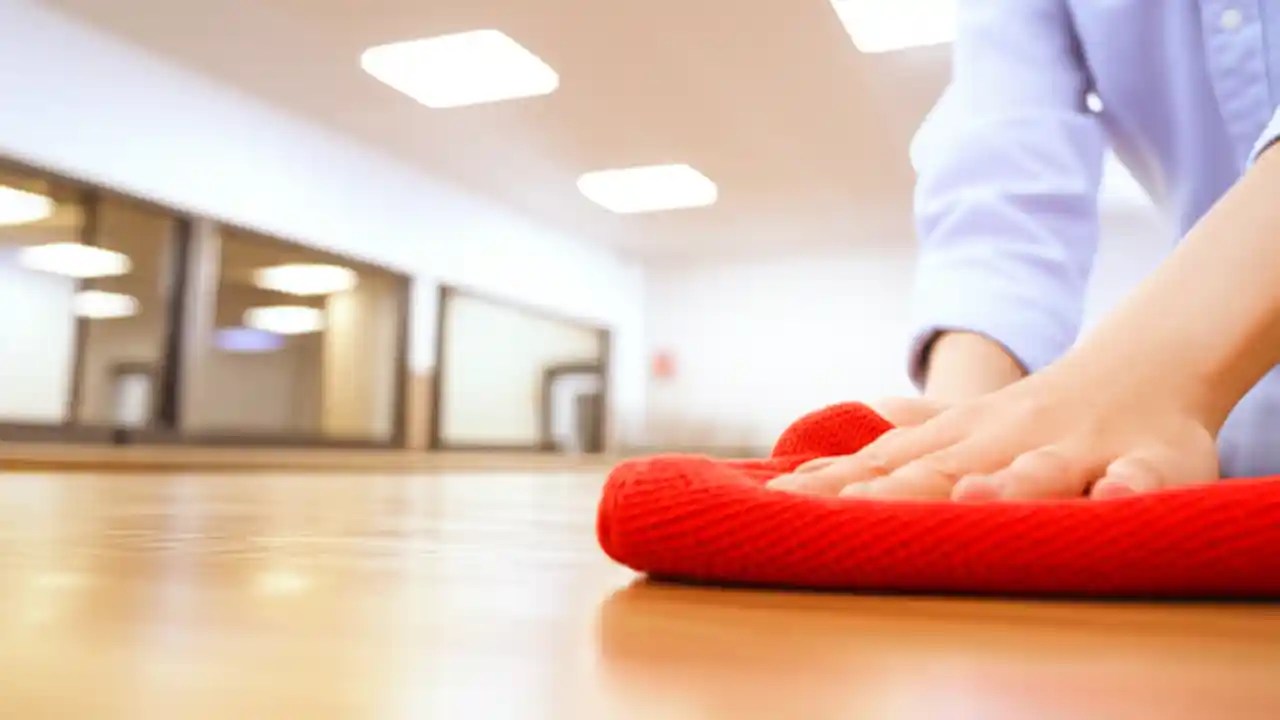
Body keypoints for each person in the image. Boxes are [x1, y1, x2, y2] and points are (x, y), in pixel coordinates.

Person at [769, 1, 1280, 501]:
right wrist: (965, 423)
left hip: (1179, 407)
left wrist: (1154, 372)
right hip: (1210, 457)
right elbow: (1006, 169)